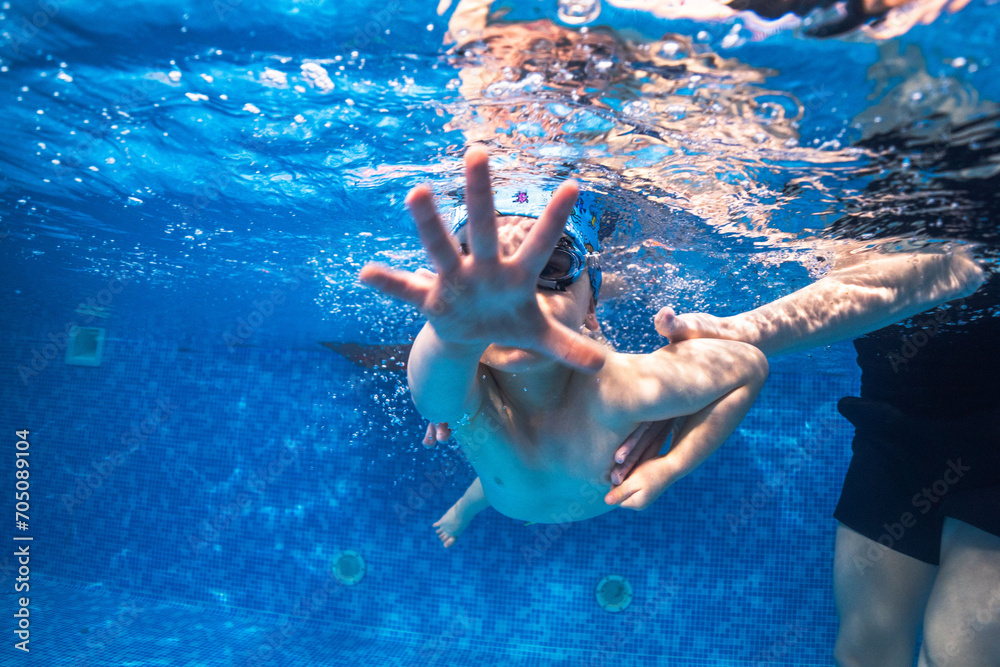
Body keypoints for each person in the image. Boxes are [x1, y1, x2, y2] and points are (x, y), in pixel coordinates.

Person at [360, 146, 770, 547]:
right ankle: (463, 511)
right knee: (484, 485)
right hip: (503, 494)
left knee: (496, 470)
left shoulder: (623, 388)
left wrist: (672, 466)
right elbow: (432, 396)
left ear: (592, 306)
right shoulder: (470, 393)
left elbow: (749, 367)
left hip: (538, 493)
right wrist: (450, 337)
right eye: (482, 288)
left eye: (551, 270)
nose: (512, 303)